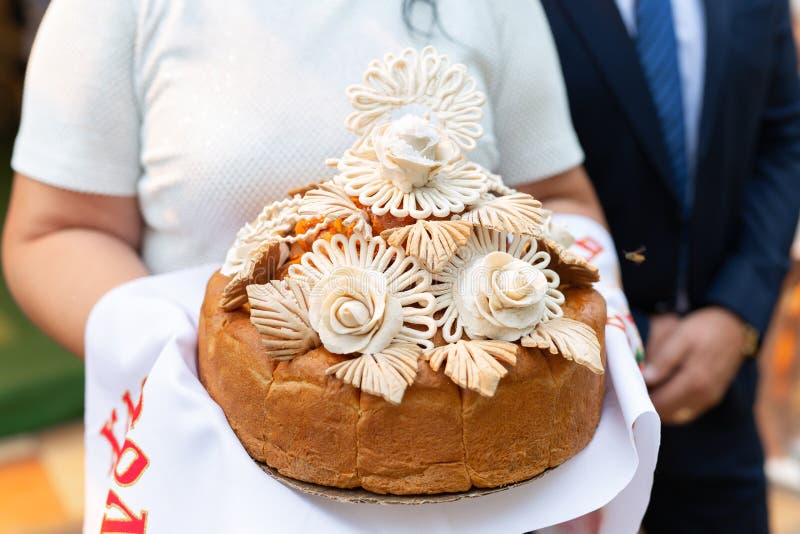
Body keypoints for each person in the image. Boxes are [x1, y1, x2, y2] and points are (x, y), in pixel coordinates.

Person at [2, 0, 607, 358]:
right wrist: (186, 356)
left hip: (472, 462)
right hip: (211, 463)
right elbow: (59, 230)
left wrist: (603, 334)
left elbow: (555, 197)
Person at [542, 0, 800, 532]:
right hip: (561, 401)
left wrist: (738, 311)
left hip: (715, 391)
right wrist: (619, 320)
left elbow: (783, 137)